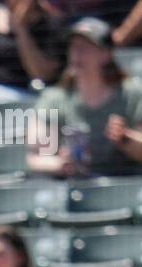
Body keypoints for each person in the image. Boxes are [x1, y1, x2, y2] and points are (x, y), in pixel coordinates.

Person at [29, 19, 142, 179]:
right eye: (73, 46)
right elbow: (35, 157)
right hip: (74, 191)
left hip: (123, 185)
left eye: (86, 47)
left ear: (106, 54)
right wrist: (60, 163)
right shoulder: (54, 99)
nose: (77, 53)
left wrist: (124, 138)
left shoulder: (132, 94)